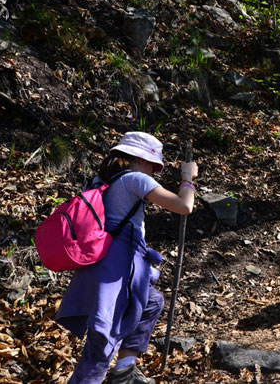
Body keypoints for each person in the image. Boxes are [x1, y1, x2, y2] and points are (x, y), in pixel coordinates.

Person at [55, 132, 198, 384]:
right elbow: (184, 206)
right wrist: (187, 177)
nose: (155, 171)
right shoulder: (135, 179)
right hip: (115, 273)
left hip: (98, 265)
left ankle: (124, 369)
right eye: (155, 166)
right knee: (101, 347)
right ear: (141, 160)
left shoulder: (101, 181)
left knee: (152, 301)